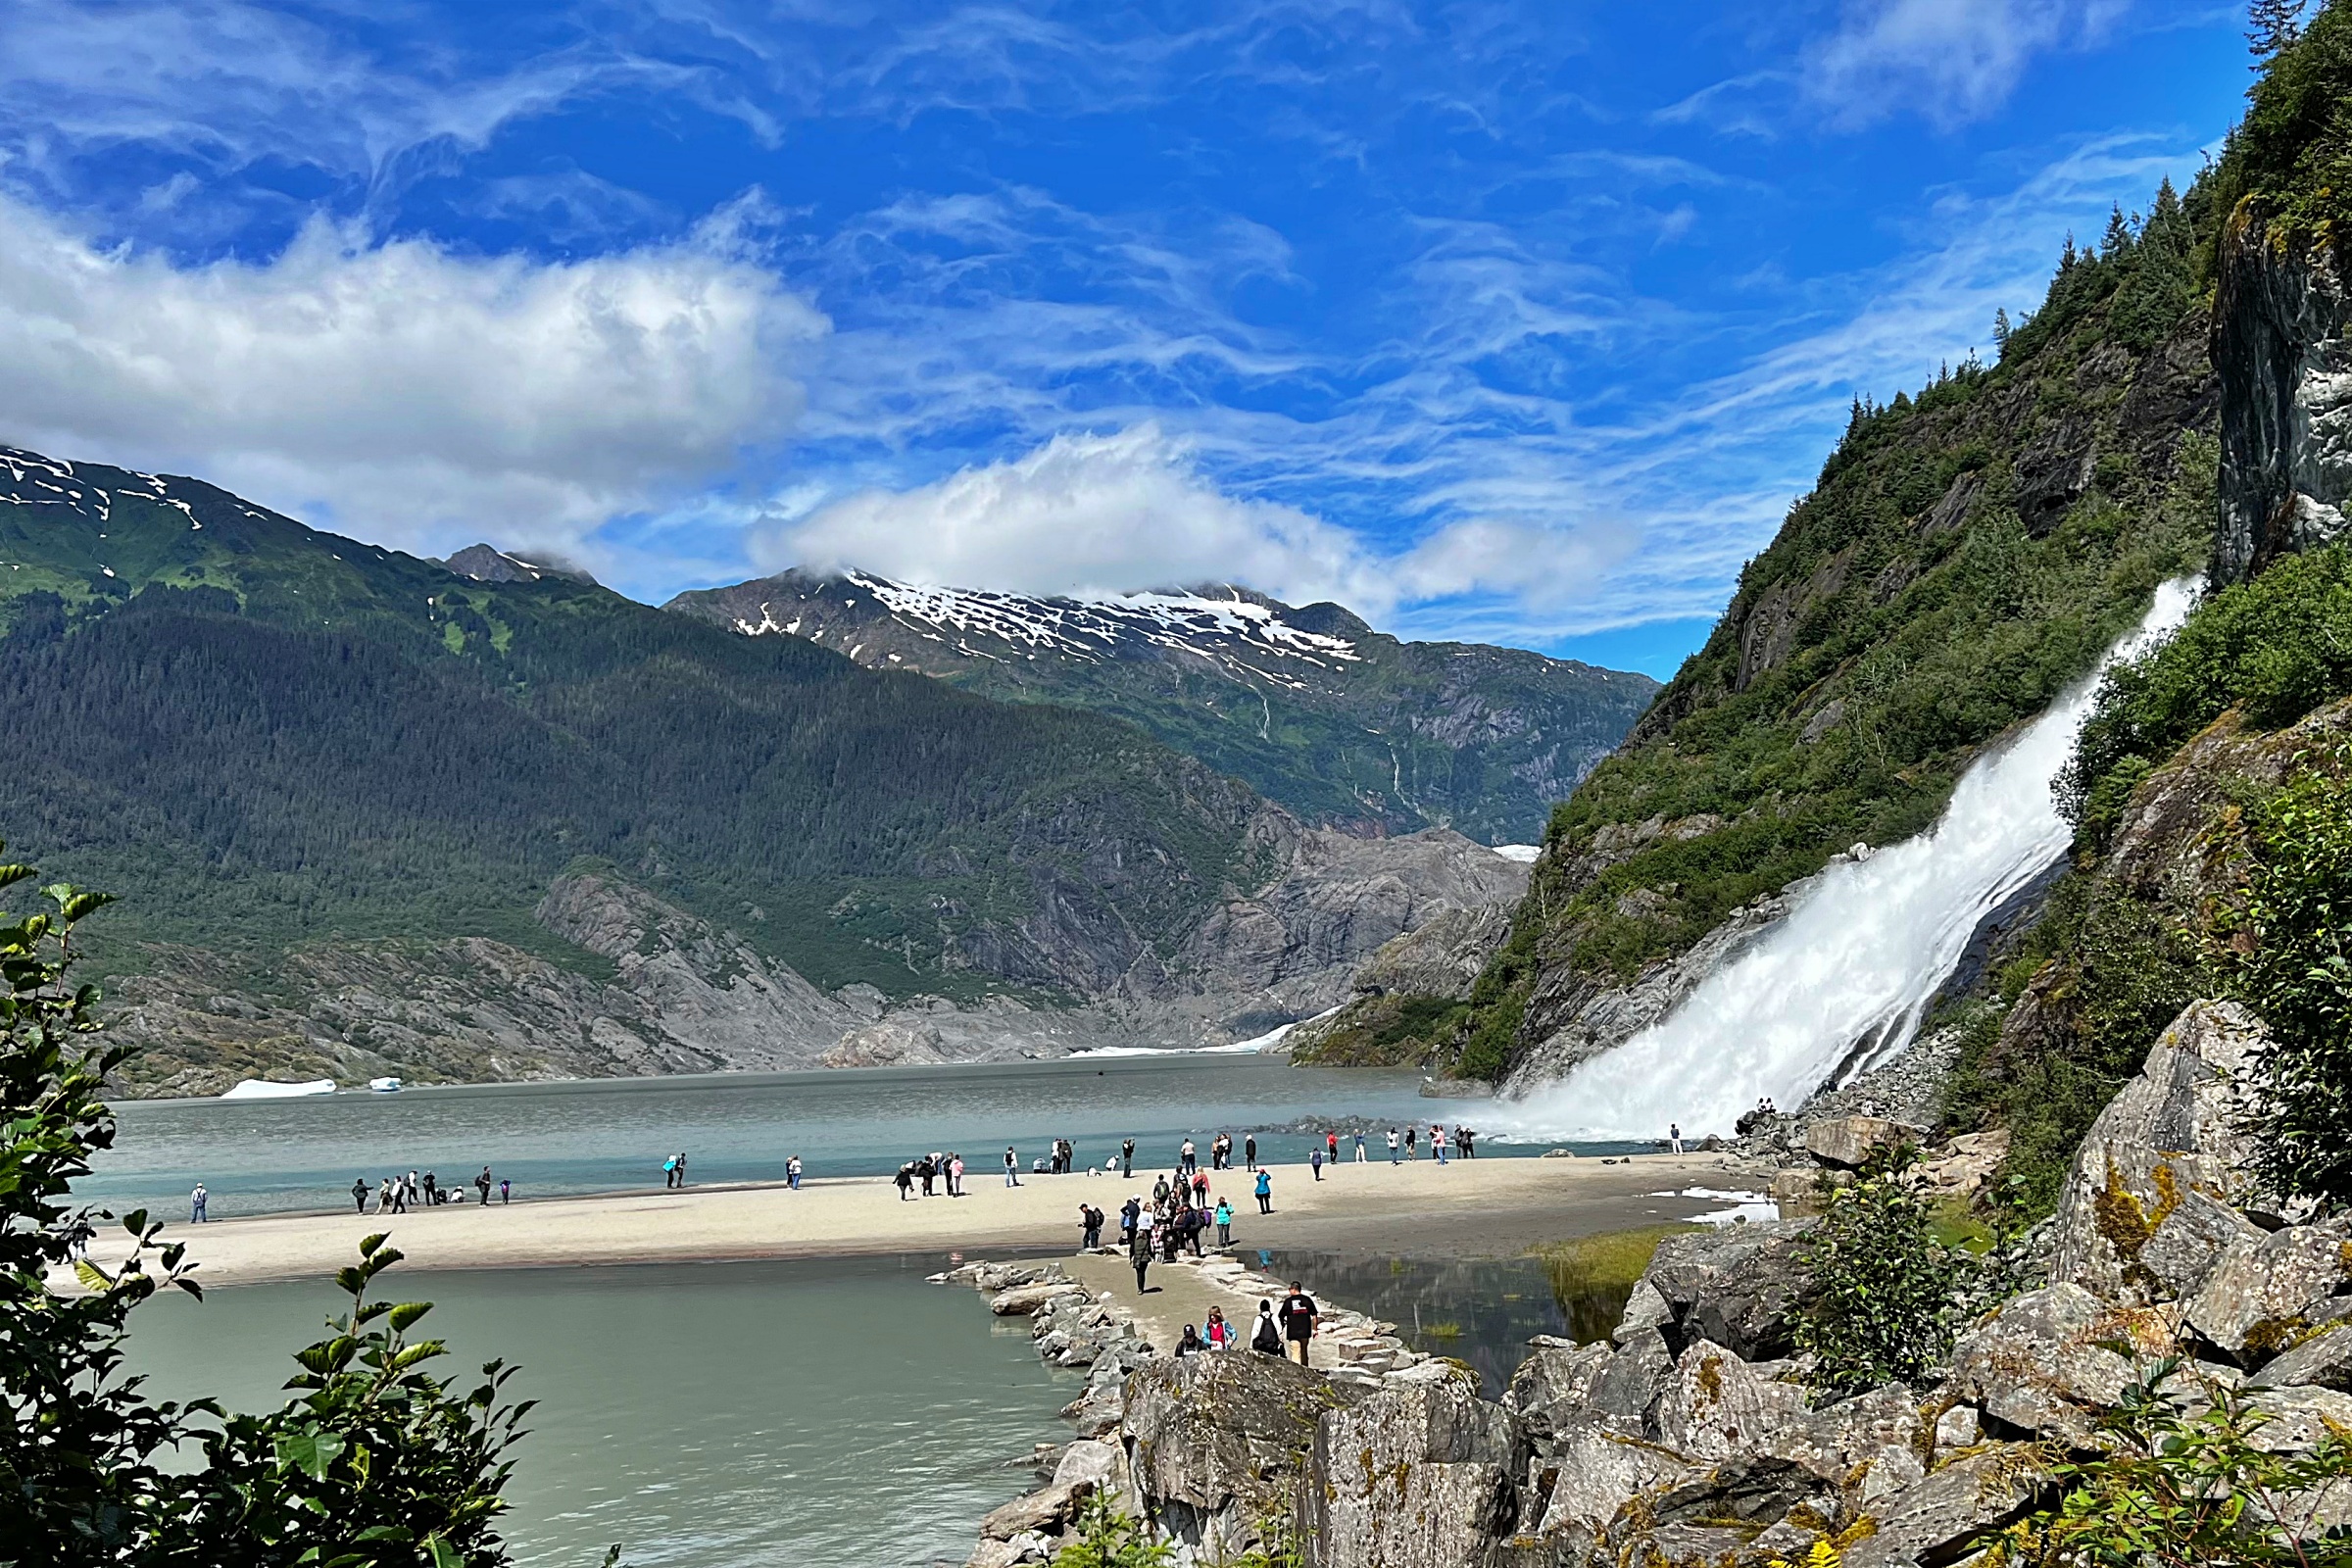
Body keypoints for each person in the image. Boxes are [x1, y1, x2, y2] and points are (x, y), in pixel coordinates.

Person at [1278, 1280, 1319, 1366]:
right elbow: (1314, 1316)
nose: (1289, 1291)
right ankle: (1306, 1371)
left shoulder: (1288, 1302)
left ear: (1293, 1289)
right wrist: (1315, 1329)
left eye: (1290, 1289)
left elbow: (1280, 1315)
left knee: (1295, 1353)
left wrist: (1283, 1325)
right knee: (1304, 1352)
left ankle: (1297, 1374)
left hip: (1293, 1332)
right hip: (1305, 1331)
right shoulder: (1307, 1300)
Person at [1130, 1211, 1153, 1294]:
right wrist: (1152, 1256)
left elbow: (1131, 1250)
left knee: (1138, 1274)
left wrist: (1130, 1258)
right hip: (1144, 1259)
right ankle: (1142, 1287)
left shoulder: (1134, 1241)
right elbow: (1150, 1250)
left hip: (1137, 1258)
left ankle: (1140, 1289)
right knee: (1142, 1273)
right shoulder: (1147, 1240)